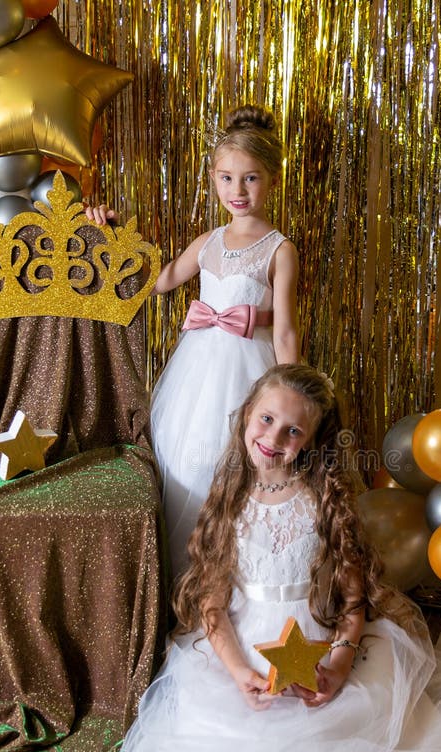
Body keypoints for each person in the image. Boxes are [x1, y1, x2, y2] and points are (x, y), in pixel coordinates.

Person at [116, 364, 441, 752]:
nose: (275, 438)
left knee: (336, 745)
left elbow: (353, 599)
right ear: (246, 416)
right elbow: (212, 604)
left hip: (316, 647)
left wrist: (339, 661)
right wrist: (237, 672)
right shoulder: (230, 496)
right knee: (225, 744)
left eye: (294, 430)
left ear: (313, 440)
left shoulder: (325, 499)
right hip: (248, 647)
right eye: (267, 420)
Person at [86, 105, 299, 576]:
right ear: (213, 178)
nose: (237, 191)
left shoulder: (280, 250)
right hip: (197, 374)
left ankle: (237, 583)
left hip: (251, 373)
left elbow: (283, 330)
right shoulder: (208, 242)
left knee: (238, 468)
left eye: (250, 179)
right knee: (187, 463)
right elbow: (159, 282)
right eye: (226, 178)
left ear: (272, 178)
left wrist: (292, 399)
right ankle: (185, 582)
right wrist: (114, 234)